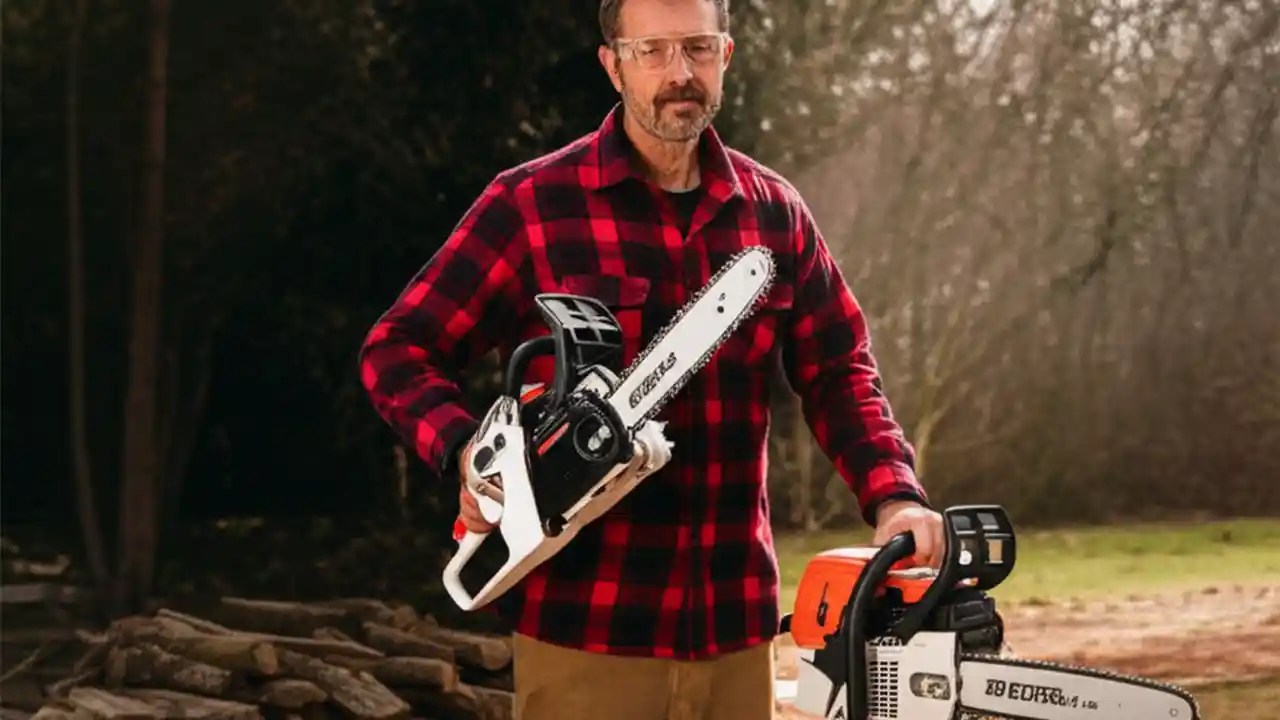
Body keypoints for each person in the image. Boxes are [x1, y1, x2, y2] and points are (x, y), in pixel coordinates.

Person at [358, 0, 944, 717]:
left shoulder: (774, 214)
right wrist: (468, 452)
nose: (679, 73)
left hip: (733, 627)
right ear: (613, 66)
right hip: (586, 630)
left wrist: (894, 495)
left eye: (697, 48)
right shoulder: (533, 204)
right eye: (653, 51)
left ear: (725, 56)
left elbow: (839, 370)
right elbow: (398, 348)